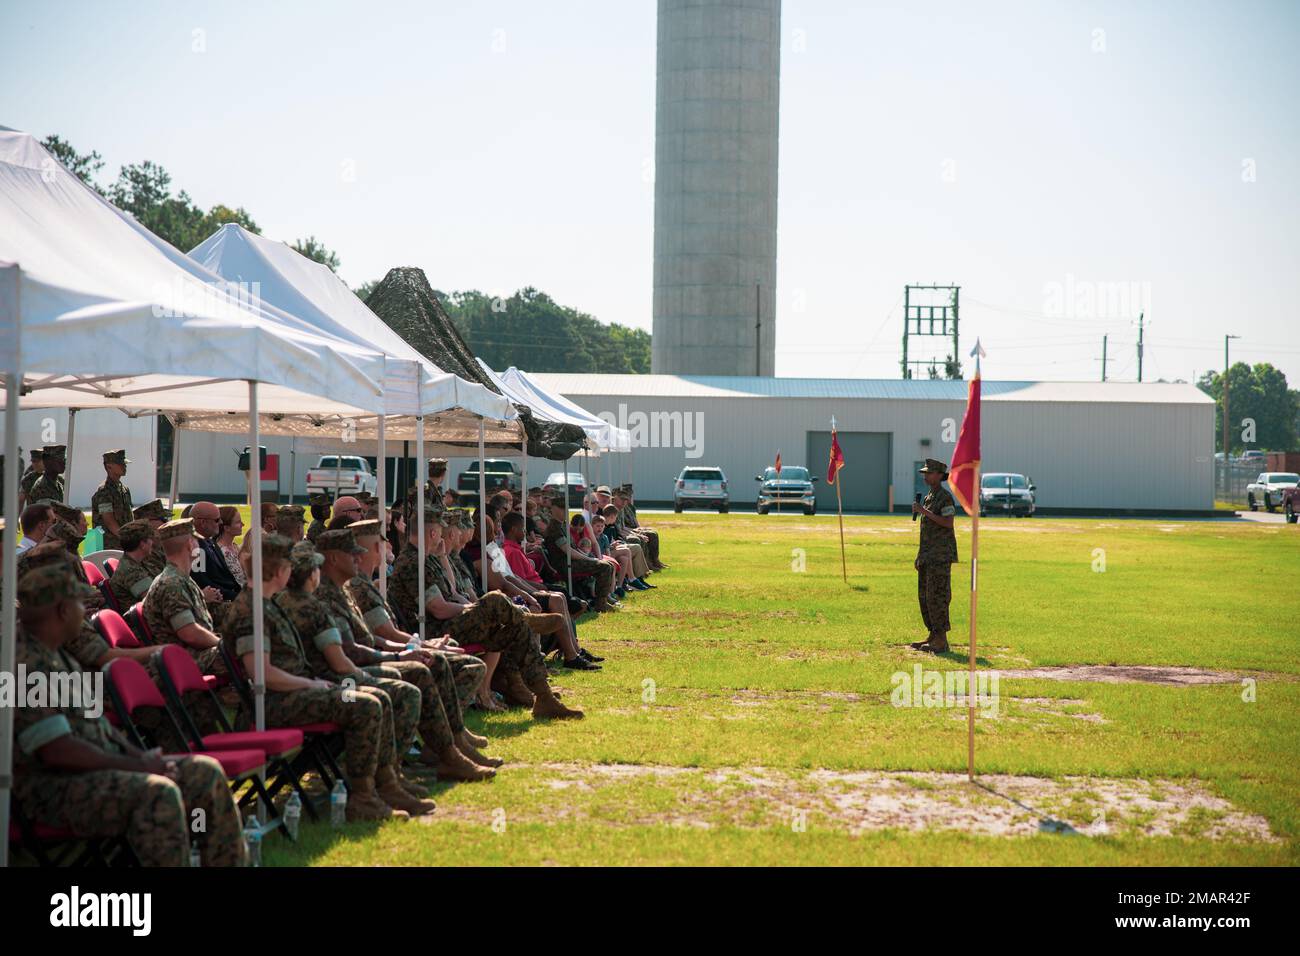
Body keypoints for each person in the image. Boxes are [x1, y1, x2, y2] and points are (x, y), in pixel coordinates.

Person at [12, 563, 245, 866]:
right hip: (52, 790)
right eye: (79, 604)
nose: (85, 611)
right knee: (157, 794)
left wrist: (147, 760)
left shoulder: (56, 656)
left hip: (93, 771)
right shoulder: (23, 665)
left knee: (203, 772)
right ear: (61, 611)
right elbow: (58, 751)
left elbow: (102, 731)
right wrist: (139, 766)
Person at [220, 534, 413, 821]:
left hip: (291, 694)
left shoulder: (266, 603)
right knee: (367, 704)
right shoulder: (253, 611)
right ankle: (363, 798)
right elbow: (263, 673)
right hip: (276, 702)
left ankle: (381, 786)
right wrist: (310, 683)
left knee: (375, 697)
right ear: (280, 570)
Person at [314, 528, 495, 779]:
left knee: (430, 663)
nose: (358, 559)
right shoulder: (326, 596)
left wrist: (411, 649)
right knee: (414, 678)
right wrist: (402, 655)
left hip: (353, 669)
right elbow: (350, 652)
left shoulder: (341, 591)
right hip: (340, 684)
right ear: (333, 559)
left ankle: (446, 749)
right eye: (352, 554)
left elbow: (369, 639)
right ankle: (391, 776)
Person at [273, 541, 441, 810]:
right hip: (316, 684)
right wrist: (378, 672)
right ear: (313, 573)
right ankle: (372, 790)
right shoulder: (311, 606)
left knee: (389, 691)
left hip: (310, 682)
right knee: (391, 694)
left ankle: (385, 781)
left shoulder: (281, 602)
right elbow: (341, 663)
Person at [389, 504, 582, 720]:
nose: (442, 535)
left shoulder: (428, 558)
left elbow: (451, 591)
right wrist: (474, 608)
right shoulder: (413, 562)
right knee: (494, 601)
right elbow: (440, 609)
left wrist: (443, 556)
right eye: (439, 531)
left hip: (444, 623)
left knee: (514, 629)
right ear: (433, 532)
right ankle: (523, 619)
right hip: (431, 631)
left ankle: (542, 697)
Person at [345, 518, 494, 728]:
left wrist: (418, 646)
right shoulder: (357, 588)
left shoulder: (361, 586)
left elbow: (377, 637)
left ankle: (451, 736)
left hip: (366, 663)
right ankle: (447, 738)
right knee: (440, 665)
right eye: (380, 545)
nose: (385, 547)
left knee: (459, 651)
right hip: (345, 682)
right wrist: (416, 649)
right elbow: (382, 636)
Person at [142, 518, 227, 673]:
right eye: (195, 540)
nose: (197, 544)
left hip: (195, 654)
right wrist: (221, 643)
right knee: (251, 655)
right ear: (190, 544)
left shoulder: (180, 578)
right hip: (187, 660)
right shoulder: (172, 583)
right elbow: (190, 634)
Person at [911, 458, 959, 654]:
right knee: (925, 596)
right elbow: (927, 531)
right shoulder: (930, 496)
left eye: (929, 473)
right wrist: (919, 555)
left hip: (940, 556)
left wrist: (924, 511)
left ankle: (941, 639)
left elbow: (948, 523)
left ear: (939, 475)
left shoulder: (944, 497)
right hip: (928, 556)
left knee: (937, 596)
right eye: (924, 473)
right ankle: (933, 634)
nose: (925, 476)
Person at [542, 493, 616, 612]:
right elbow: (568, 550)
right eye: (562, 508)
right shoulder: (554, 528)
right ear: (554, 509)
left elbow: (574, 548)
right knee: (605, 567)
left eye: (566, 508)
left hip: (572, 560)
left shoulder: (563, 525)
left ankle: (601, 599)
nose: (565, 511)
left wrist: (588, 556)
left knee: (608, 565)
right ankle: (600, 604)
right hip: (564, 564)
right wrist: (589, 559)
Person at [188, 501, 241, 602]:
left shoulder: (209, 541)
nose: (221, 522)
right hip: (219, 602)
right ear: (203, 523)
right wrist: (237, 597)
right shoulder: (196, 547)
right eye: (217, 520)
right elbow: (203, 583)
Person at [108, 519, 159, 610]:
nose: (153, 542)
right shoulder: (130, 570)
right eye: (150, 539)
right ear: (142, 544)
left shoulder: (136, 562)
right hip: (145, 621)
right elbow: (155, 600)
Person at [90, 448, 134, 550]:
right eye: (121, 464)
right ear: (109, 467)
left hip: (123, 543)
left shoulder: (124, 489)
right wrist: (126, 538)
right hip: (109, 546)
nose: (124, 466)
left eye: (124, 463)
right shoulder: (104, 491)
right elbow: (109, 521)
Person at [133, 498, 172, 576]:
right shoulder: (145, 552)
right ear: (148, 522)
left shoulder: (157, 545)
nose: (166, 522)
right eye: (163, 519)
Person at [215, 506, 247, 589]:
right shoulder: (221, 551)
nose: (243, 524)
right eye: (238, 522)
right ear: (226, 528)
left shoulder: (235, 547)